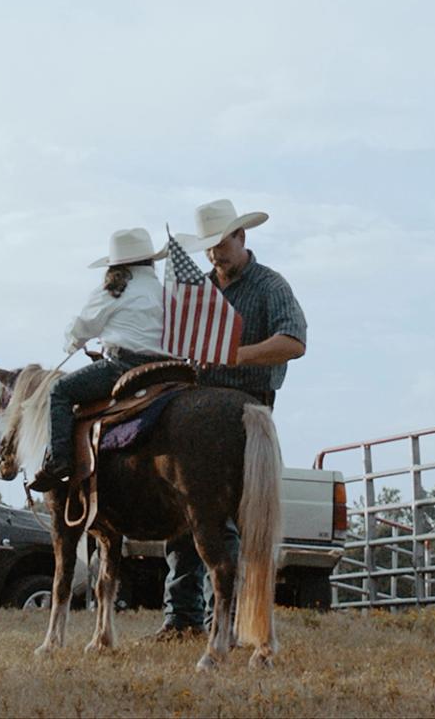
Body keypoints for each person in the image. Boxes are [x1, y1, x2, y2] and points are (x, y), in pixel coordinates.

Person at [158, 198, 307, 640]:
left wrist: (236, 353)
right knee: (186, 514)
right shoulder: (199, 289)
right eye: (208, 248)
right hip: (195, 410)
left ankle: (225, 618)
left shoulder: (269, 285)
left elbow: (293, 341)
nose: (214, 255)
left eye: (220, 245)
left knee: (232, 518)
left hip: (246, 408)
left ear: (242, 237)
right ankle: (182, 618)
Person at [27, 227, 166, 493]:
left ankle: (59, 462)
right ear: (150, 260)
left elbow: (82, 328)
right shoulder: (163, 290)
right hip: (165, 370)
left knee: (60, 390)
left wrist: (72, 342)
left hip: (124, 366)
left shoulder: (115, 289)